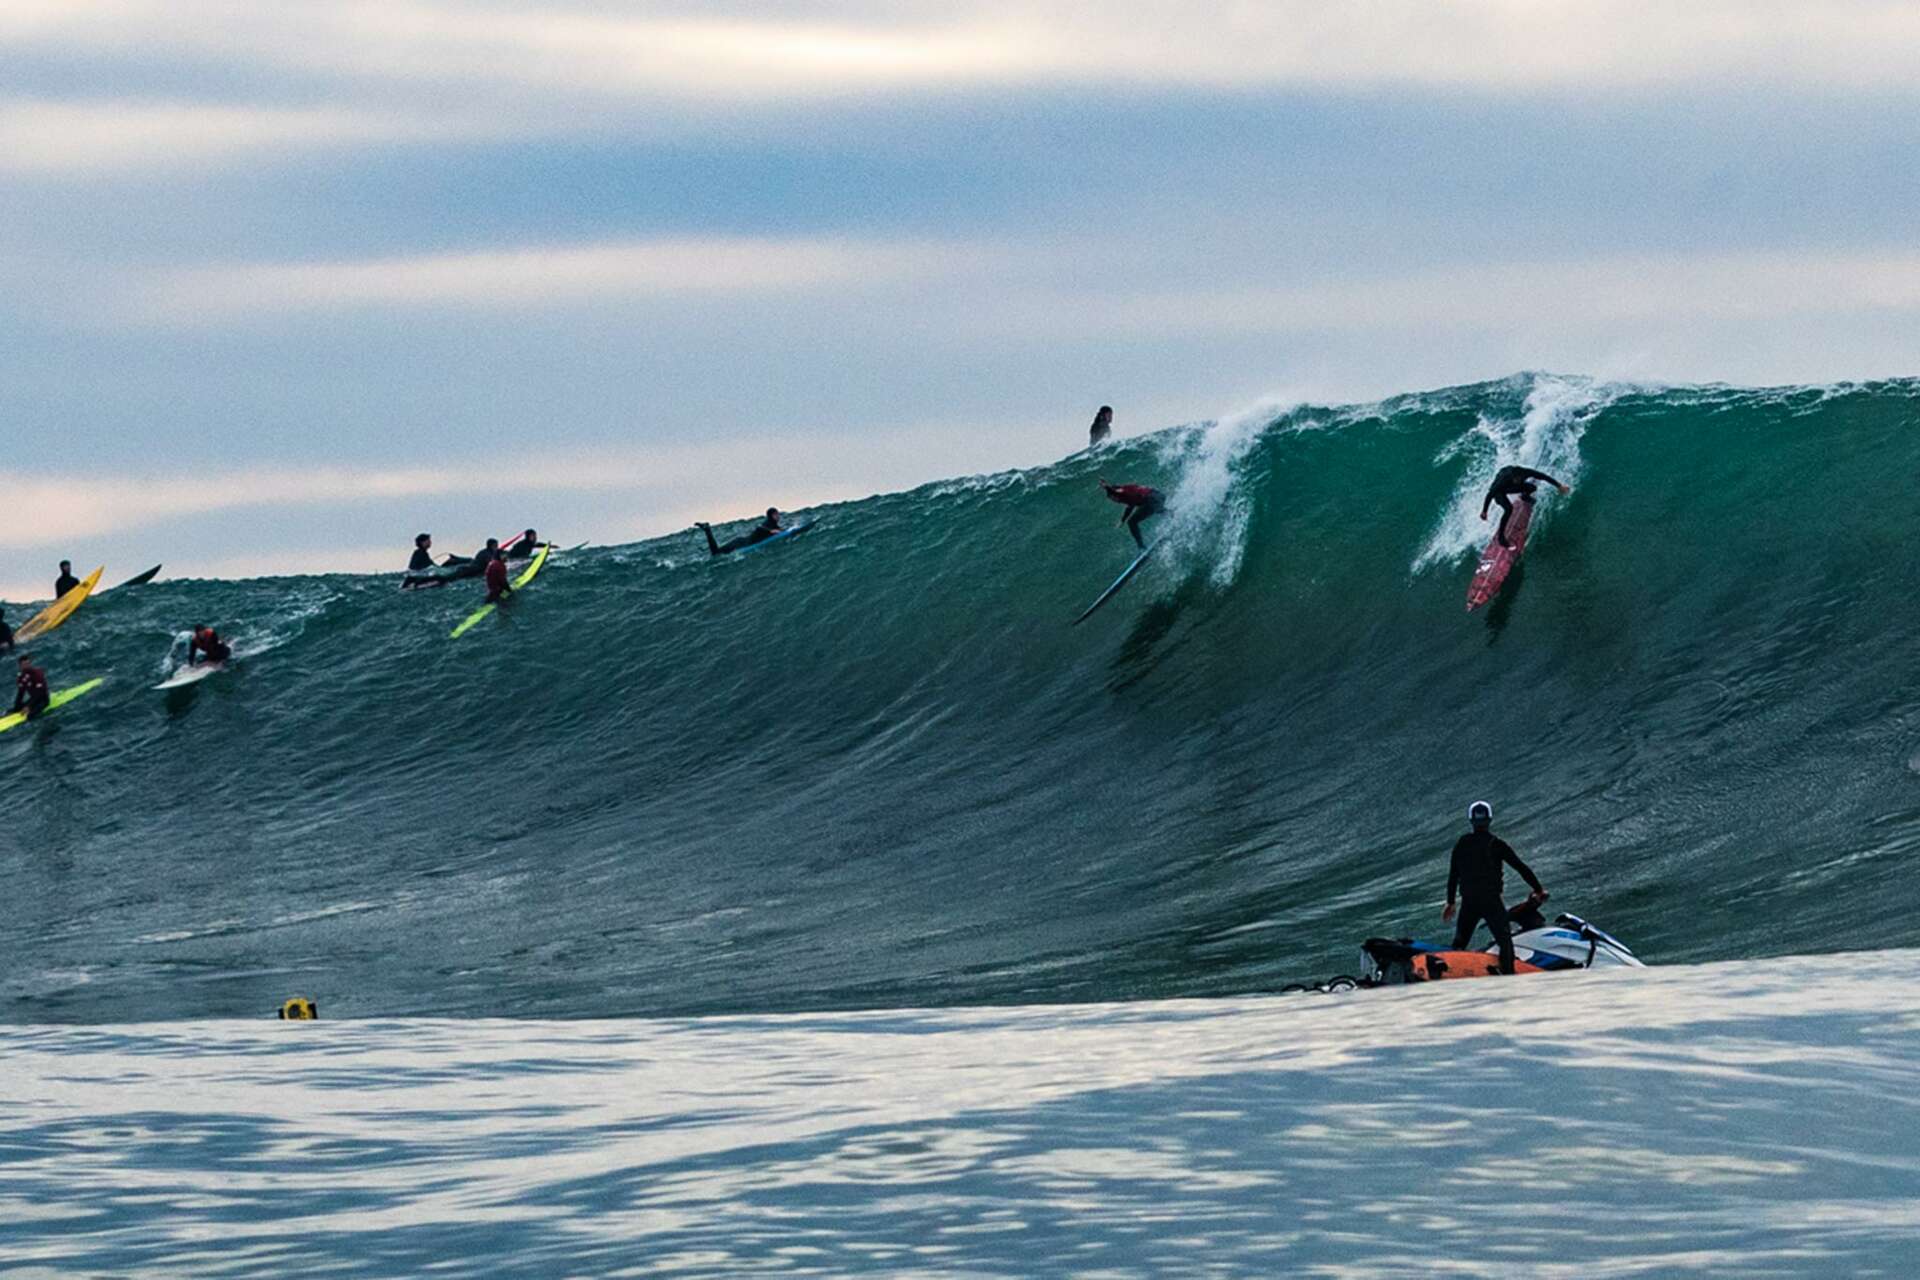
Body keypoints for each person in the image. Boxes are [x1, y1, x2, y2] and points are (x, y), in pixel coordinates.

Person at [1442, 801, 1547, 975]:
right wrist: (1538, 889)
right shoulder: (1496, 844)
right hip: (1491, 901)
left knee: (1460, 942)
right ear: (1489, 819)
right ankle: (1509, 978)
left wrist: (1451, 902)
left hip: (1469, 902)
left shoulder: (1462, 843)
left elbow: (1453, 874)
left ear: (1471, 820)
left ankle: (1448, 973)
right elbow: (1520, 867)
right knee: (1505, 942)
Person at [1480, 465, 1571, 550]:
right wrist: (1484, 511)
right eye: (1516, 480)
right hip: (1498, 491)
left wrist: (1559, 486)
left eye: (1519, 480)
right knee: (1508, 509)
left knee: (1532, 488)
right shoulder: (1504, 479)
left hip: (1509, 487)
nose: (1517, 481)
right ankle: (1501, 538)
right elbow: (1490, 494)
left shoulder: (1526, 472)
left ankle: (1525, 496)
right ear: (1513, 477)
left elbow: (1543, 476)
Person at [1099, 478, 1165, 549]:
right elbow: (1130, 507)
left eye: (1113, 498)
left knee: (1133, 521)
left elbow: (1116, 491)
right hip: (1155, 499)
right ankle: (1141, 546)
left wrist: (1106, 486)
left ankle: (1141, 547)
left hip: (1153, 498)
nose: (1115, 501)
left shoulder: (1122, 491)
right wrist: (1122, 520)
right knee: (1135, 519)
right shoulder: (1128, 494)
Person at [695, 508, 784, 556]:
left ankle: (707, 530)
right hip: (742, 543)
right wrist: (771, 531)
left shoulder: (773, 524)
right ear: (772, 515)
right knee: (716, 553)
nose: (778, 516)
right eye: (776, 514)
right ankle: (707, 530)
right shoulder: (768, 523)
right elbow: (759, 528)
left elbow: (779, 530)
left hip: (743, 541)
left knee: (716, 552)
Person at [12, 654, 50, 721]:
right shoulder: (21, 677)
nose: (27, 666)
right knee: (12, 710)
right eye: (25, 664)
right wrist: (16, 707)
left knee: (30, 716)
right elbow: (21, 692)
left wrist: (28, 706)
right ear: (20, 666)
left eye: (28, 663)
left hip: (43, 700)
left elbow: (40, 692)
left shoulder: (37, 673)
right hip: (32, 699)